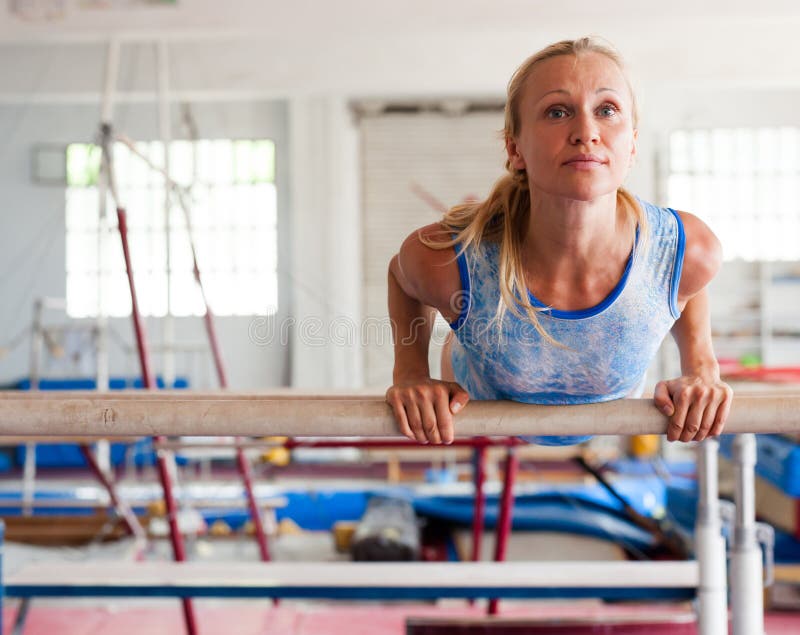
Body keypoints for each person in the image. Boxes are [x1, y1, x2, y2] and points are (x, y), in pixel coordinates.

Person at [385, 37, 732, 446]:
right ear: (515, 149)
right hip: (480, 381)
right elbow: (401, 273)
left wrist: (702, 366)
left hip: (605, 394)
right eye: (557, 111)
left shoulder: (685, 250)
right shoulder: (452, 260)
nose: (586, 132)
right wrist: (410, 372)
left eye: (607, 110)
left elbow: (685, 282)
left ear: (633, 144)